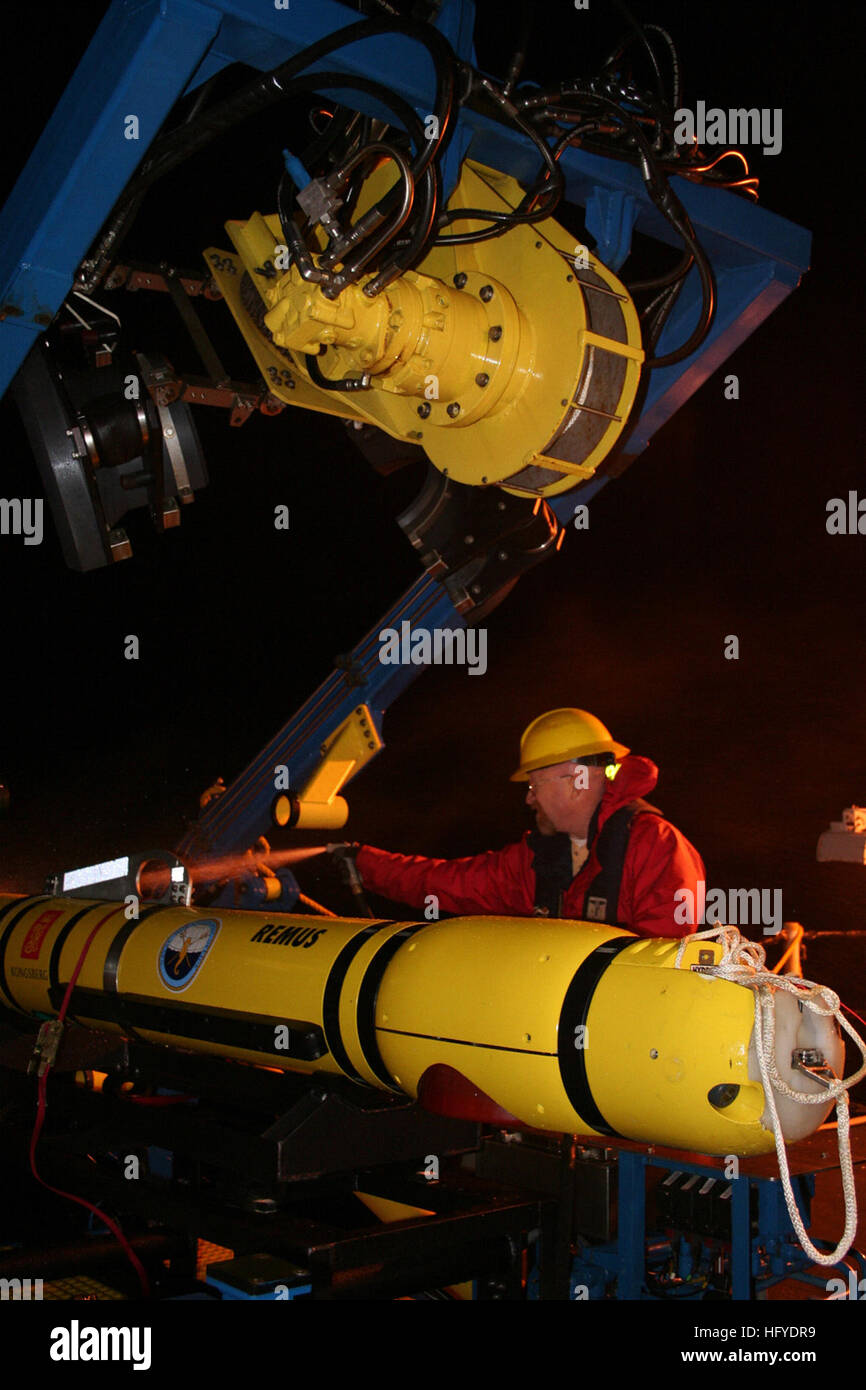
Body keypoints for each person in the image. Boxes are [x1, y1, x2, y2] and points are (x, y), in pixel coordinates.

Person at [352, 708, 704, 938]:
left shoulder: (655, 846)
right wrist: (363, 863)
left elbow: (666, 961)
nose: (529, 798)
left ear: (575, 778)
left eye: (535, 785)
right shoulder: (535, 860)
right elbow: (446, 882)